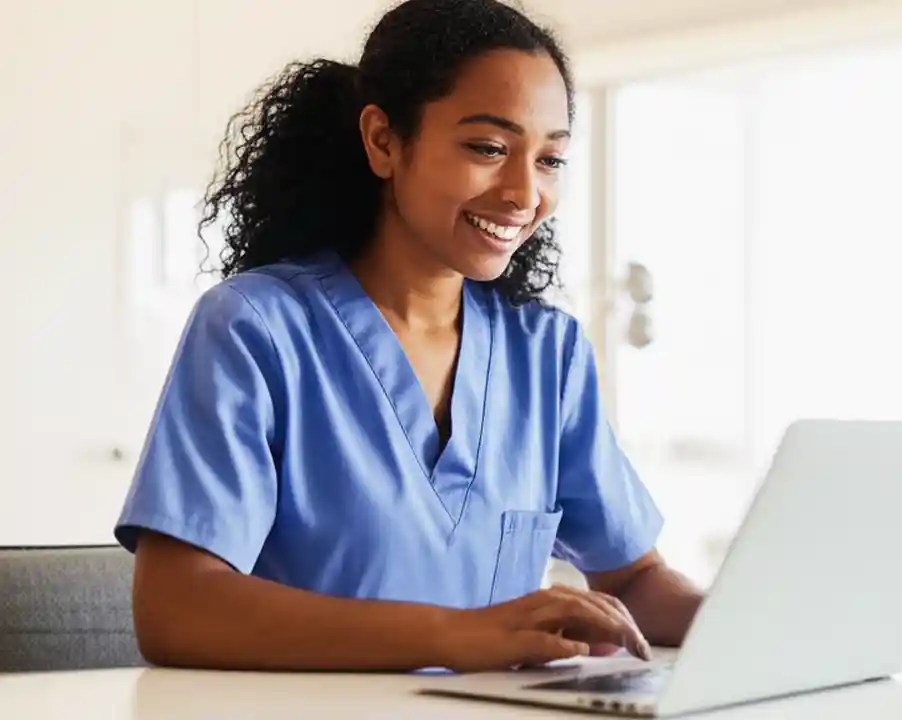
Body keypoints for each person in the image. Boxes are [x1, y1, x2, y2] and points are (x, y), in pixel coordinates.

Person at [113, 0, 702, 673]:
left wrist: (767, 622)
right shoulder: (255, 328)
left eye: (550, 160)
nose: (522, 193)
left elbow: (634, 581)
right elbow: (177, 609)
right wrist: (459, 635)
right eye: (488, 148)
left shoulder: (548, 356)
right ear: (384, 141)